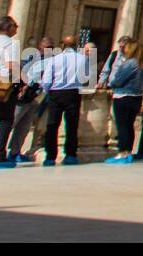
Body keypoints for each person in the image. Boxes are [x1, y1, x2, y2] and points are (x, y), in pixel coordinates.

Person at [40, 35, 91, 166]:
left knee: (52, 125)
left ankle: (50, 156)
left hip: (56, 93)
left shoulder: (55, 59)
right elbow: (86, 79)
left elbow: (46, 80)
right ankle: (70, 154)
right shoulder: (83, 59)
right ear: (76, 45)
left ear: (62, 45)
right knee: (72, 125)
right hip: (73, 94)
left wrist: (48, 91)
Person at [7, 36, 53, 164]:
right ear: (40, 46)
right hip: (24, 94)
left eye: (51, 47)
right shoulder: (31, 57)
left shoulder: (51, 61)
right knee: (12, 122)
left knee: (25, 126)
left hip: (36, 96)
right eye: (47, 47)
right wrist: (22, 87)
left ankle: (15, 152)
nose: (49, 49)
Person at [104, 40, 143, 164]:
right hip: (136, 96)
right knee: (129, 125)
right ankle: (128, 151)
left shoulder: (131, 63)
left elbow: (118, 80)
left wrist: (111, 83)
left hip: (123, 96)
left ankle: (122, 152)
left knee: (122, 125)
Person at [0, 16, 21, 169]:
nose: (16, 29)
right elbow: (11, 66)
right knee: (4, 120)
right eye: (15, 26)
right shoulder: (10, 44)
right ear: (9, 27)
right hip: (1, 84)